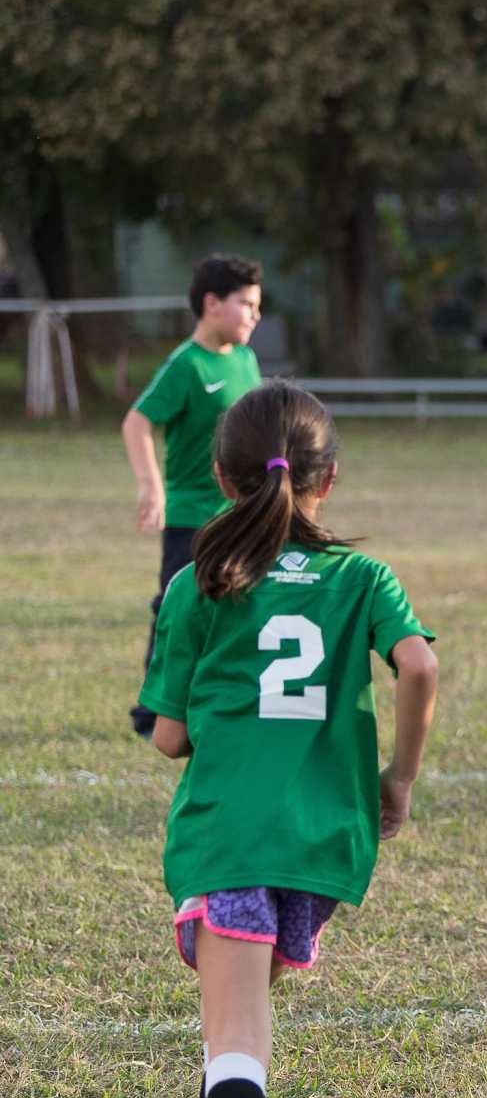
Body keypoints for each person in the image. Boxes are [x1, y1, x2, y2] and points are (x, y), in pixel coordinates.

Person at [141, 382, 438, 1098]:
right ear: (329, 479)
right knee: (236, 1033)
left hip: (232, 834)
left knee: (234, 1042)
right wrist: (396, 778)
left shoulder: (198, 581)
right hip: (319, 846)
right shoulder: (364, 576)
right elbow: (422, 667)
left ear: (221, 477)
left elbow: (170, 738)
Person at [121, 254, 264, 737]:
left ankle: (226, 700)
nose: (254, 315)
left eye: (256, 305)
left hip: (242, 512)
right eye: (245, 304)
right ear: (211, 303)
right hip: (193, 515)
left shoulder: (246, 359)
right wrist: (150, 485)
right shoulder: (185, 364)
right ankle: (152, 713)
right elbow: (137, 422)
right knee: (178, 608)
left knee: (246, 604)